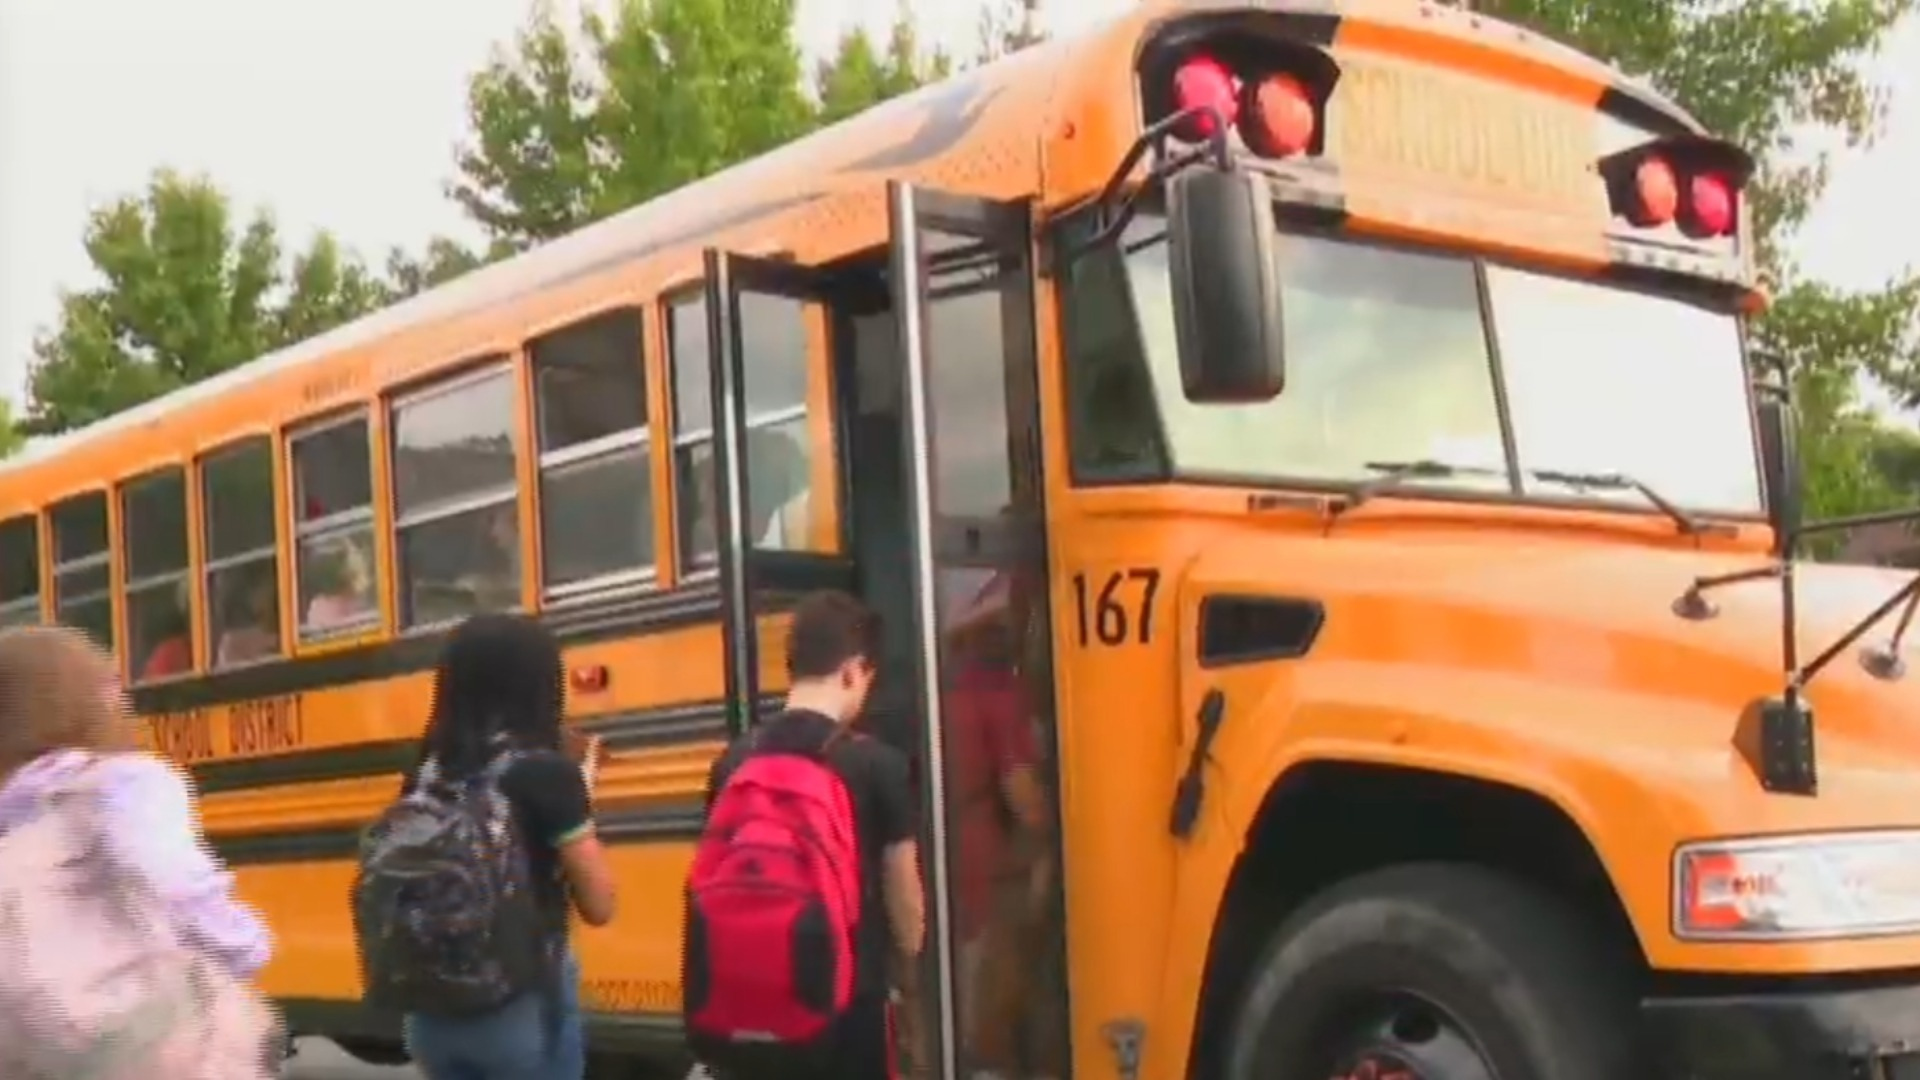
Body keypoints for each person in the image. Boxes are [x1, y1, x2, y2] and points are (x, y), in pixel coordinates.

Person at [0, 625, 277, 1077]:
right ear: (82, 702)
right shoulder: (126, 781)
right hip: (126, 1032)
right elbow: (173, 880)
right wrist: (243, 946)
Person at [686, 590, 924, 1080]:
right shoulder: (879, 764)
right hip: (846, 1009)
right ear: (854, 671)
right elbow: (907, 909)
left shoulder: (733, 762)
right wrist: (911, 977)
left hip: (744, 1009)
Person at [382, 614, 618, 1080]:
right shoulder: (549, 774)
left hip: (433, 1014)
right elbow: (600, 904)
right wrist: (577, 802)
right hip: (521, 1007)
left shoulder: (426, 775)